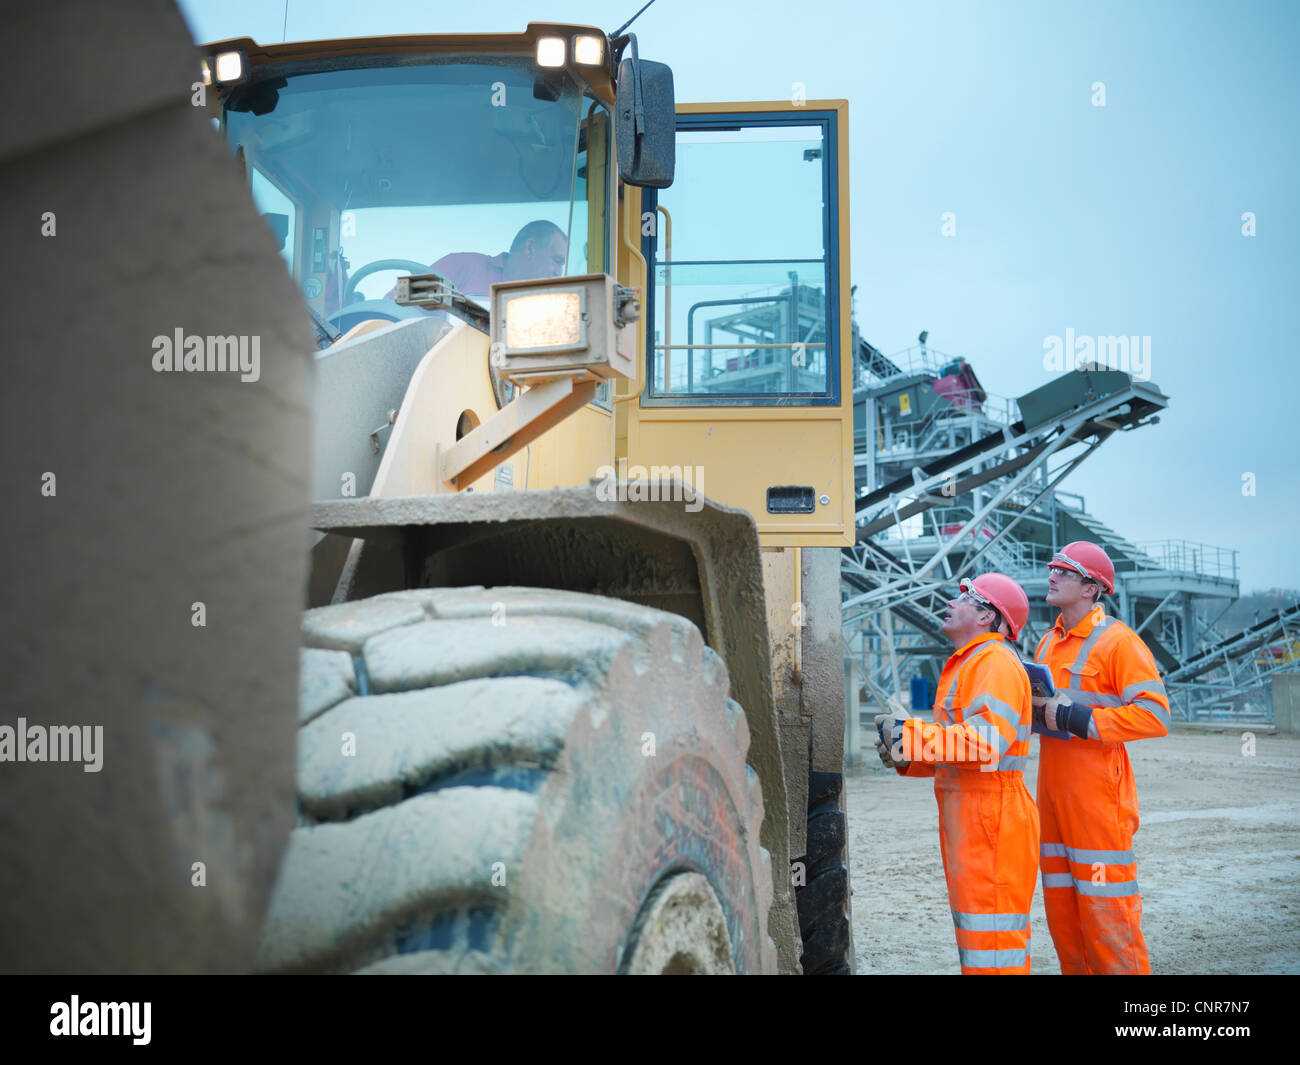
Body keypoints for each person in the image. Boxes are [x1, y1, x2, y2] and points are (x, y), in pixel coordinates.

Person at [875, 573, 1038, 975]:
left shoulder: (994, 662)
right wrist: (904, 753)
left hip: (992, 818)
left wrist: (908, 736)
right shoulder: (972, 663)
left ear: (987, 616)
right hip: (977, 817)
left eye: (965, 597)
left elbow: (984, 743)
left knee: (994, 941)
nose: (951, 602)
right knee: (981, 938)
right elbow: (959, 748)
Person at [1031, 541, 1170, 975]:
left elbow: (1154, 715)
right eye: (1052, 567)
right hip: (1051, 794)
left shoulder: (1118, 641)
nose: (1051, 575)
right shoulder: (1047, 643)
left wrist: (1075, 717)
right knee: (1063, 910)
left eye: (1064, 572)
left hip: (1097, 799)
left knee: (1107, 910)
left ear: (1091, 588)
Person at [395, 219, 568, 301]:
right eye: (557, 261)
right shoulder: (462, 266)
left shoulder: (548, 309)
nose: (558, 272)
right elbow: (397, 302)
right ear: (530, 248)